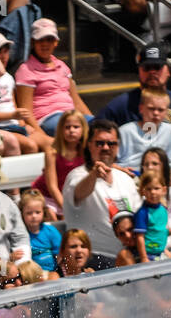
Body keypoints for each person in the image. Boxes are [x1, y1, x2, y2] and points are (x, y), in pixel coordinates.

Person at [64, 120, 139, 260]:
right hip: (94, 257)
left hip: (130, 253)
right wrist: (94, 175)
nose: (106, 148)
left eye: (111, 143)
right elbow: (79, 193)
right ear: (89, 144)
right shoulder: (77, 175)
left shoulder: (125, 179)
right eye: (100, 143)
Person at [14, 18, 91, 151]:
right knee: (75, 131)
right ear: (33, 42)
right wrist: (41, 135)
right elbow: (26, 110)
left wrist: (95, 120)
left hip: (72, 114)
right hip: (48, 118)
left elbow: (77, 101)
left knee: (99, 128)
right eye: (40, 40)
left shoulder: (63, 66)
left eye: (49, 39)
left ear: (56, 42)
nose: (45, 44)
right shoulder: (25, 70)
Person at [31, 110, 86, 216]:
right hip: (47, 195)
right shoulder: (52, 152)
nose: (71, 130)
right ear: (60, 130)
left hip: (70, 196)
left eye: (76, 127)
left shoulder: (86, 152)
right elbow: (52, 187)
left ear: (84, 129)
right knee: (52, 216)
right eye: (67, 127)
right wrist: (67, 210)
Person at [117, 88, 171, 173]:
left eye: (160, 110)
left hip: (159, 177)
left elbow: (170, 164)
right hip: (129, 175)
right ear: (141, 108)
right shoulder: (124, 131)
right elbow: (112, 163)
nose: (156, 113)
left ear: (166, 112)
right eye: (151, 108)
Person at [20, 189, 61, 274]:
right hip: (31, 275)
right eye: (29, 213)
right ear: (22, 214)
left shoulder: (51, 231)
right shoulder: (20, 234)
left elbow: (60, 255)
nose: (34, 216)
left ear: (44, 212)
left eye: (38, 212)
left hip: (51, 272)